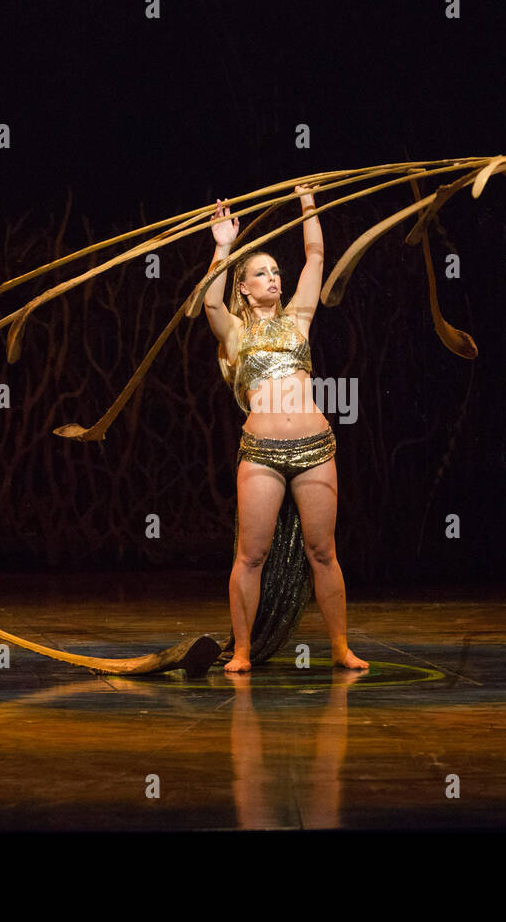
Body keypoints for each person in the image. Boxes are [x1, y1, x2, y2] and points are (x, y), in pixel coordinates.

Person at [202, 187, 369, 672]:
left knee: (323, 551)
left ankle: (340, 647)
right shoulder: (235, 331)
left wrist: (308, 205)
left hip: (315, 448)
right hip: (261, 451)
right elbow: (210, 302)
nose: (273, 278)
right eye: (262, 273)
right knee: (250, 556)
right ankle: (241, 651)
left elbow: (316, 257)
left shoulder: (298, 319)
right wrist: (223, 246)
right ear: (244, 287)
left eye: (277, 271)